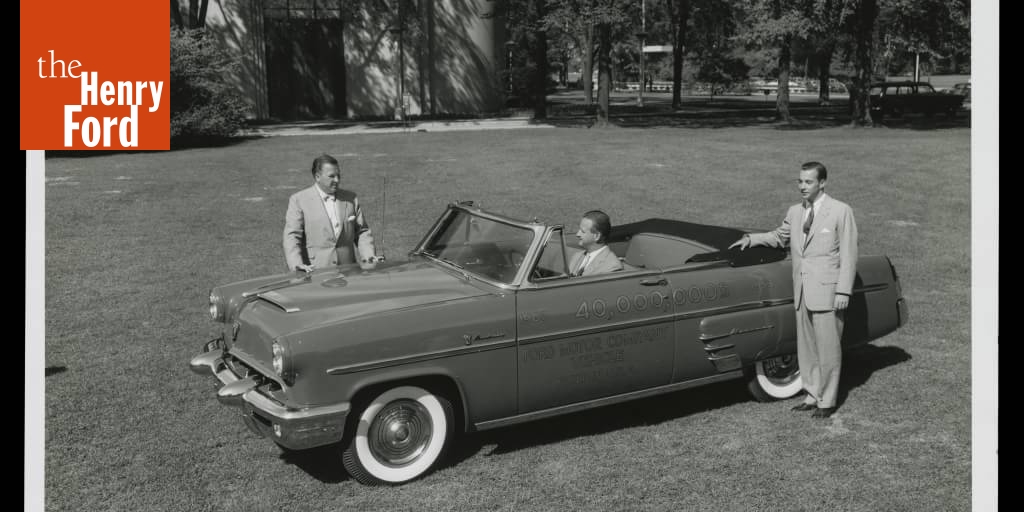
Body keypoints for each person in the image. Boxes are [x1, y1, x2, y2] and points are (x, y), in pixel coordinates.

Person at [728, 162, 858, 419]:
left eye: (808, 182)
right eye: (799, 181)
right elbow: (780, 236)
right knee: (807, 349)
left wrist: (843, 292)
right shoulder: (795, 212)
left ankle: (827, 400)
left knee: (828, 349)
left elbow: (849, 254)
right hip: (801, 292)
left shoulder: (841, 211)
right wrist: (752, 239)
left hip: (828, 293)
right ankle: (811, 395)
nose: (802, 186)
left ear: (822, 183)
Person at [283, 153, 379, 272]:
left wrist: (368, 256)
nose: (337, 180)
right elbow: (292, 236)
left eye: (338, 175)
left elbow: (362, 232)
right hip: (315, 273)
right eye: (331, 176)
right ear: (317, 177)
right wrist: (296, 265)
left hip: (348, 271)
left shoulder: (351, 198)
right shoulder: (298, 200)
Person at [570, 210, 623, 276]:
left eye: (582, 231)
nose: (577, 234)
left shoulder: (612, 266)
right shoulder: (577, 256)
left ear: (597, 236)